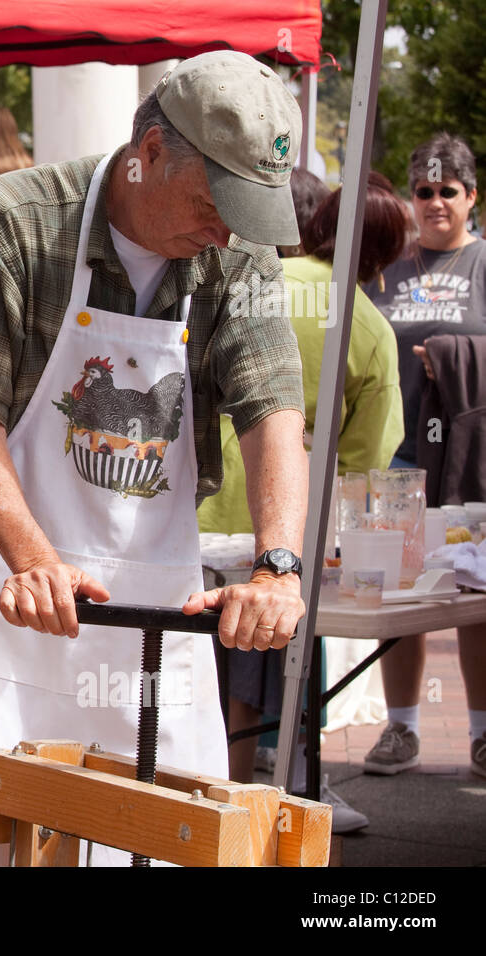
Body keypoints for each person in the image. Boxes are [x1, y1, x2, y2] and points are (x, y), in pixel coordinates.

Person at [0, 51, 311, 864]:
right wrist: (33, 559)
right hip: (0, 590)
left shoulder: (236, 251)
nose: (226, 228)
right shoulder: (12, 220)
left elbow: (271, 410)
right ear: (148, 153)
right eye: (214, 201)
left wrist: (277, 565)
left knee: (164, 837)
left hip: (156, 601)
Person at [199, 171, 409, 830]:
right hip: (287, 523)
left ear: (316, 226)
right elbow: (368, 460)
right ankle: (282, 787)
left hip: (196, 504)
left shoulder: (251, 286)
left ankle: (211, 790)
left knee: (195, 656)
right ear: (384, 255)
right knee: (276, 650)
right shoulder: (370, 327)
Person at [365, 132, 486, 779]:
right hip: (399, 456)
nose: (435, 201)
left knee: (476, 596)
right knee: (399, 595)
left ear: (471, 196)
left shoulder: (485, 264)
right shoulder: (390, 268)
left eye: (448, 191)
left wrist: (451, 357)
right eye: (424, 191)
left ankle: (482, 734)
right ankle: (401, 728)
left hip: (470, 462)